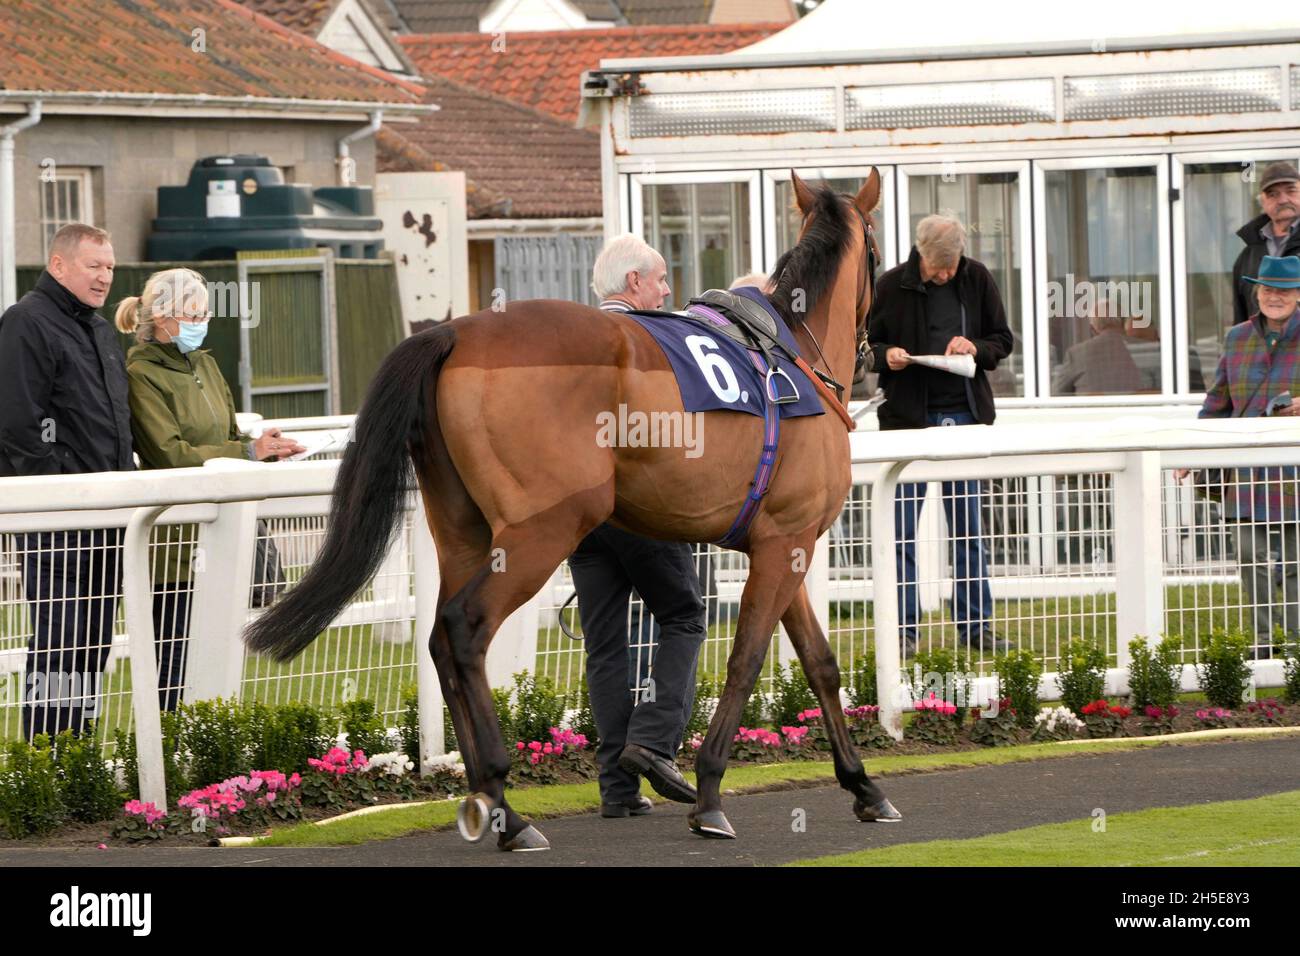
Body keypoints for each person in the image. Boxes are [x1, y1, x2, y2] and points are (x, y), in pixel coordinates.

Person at [116, 268, 304, 710]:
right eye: (192, 314)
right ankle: (168, 755)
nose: (201, 323)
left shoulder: (207, 363)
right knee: (176, 664)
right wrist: (247, 453)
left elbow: (229, 436)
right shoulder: (139, 374)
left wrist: (263, 448)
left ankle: (208, 763)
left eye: (205, 313)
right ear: (162, 318)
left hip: (220, 533)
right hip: (174, 546)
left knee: (218, 658)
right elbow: (170, 453)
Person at [570, 233, 705, 818]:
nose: (667, 291)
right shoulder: (653, 335)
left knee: (606, 646)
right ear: (634, 285)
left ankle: (617, 793)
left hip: (582, 515)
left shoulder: (569, 340)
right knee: (684, 615)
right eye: (660, 281)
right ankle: (652, 742)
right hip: (639, 508)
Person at [0, 224, 133, 739]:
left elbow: (115, 426)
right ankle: (46, 758)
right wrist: (61, 490)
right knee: (59, 643)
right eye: (93, 266)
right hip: (59, 519)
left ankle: (77, 758)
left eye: (110, 267)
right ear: (58, 265)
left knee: (93, 646)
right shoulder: (25, 323)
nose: (104, 277)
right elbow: (16, 424)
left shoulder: (98, 329)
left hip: (109, 516)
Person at [865, 214, 1014, 656]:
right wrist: (884, 355)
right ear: (921, 253)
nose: (946, 274)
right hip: (907, 421)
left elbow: (1002, 341)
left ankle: (976, 627)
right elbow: (864, 347)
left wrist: (975, 347)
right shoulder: (890, 285)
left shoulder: (978, 279)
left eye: (951, 266)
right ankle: (904, 631)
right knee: (901, 532)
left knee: (968, 531)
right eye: (938, 267)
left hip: (963, 418)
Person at [1194, 255, 1300, 658]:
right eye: (1269, 289)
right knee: (1248, 555)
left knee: (1294, 562)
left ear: (1297, 294)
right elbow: (1218, 401)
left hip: (1294, 471)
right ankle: (1262, 642)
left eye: (1285, 290)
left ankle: (1294, 644)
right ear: (1258, 293)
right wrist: (1190, 450)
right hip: (1248, 471)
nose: (1276, 297)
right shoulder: (1237, 336)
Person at [1232, 162, 1300, 327]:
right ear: (1263, 201)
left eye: (1290, 191)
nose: (1283, 200)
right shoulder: (1247, 255)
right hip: (1259, 349)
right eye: (1273, 194)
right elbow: (1240, 313)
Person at [1052, 302, 1142, 395]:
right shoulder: (1145, 348)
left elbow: (1055, 394)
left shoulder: (1077, 354)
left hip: (1093, 409)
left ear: (1092, 329)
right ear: (1123, 322)